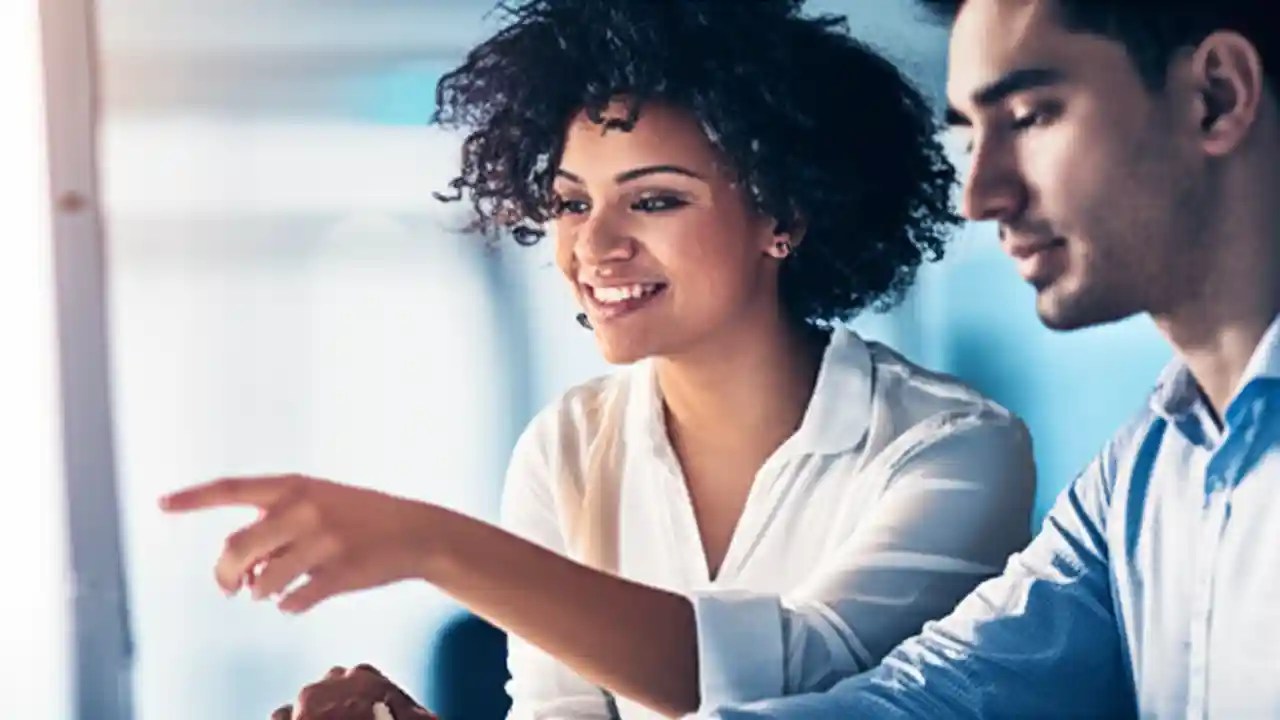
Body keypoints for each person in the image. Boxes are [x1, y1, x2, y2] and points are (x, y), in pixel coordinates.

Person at [159, 1, 1038, 718]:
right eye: (573, 204)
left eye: (653, 200)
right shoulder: (568, 446)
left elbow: (806, 683)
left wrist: (434, 544)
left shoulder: (952, 446)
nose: (595, 247)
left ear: (786, 218)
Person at [691, 0, 1280, 717]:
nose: (980, 196)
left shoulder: (956, 439)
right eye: (972, 141)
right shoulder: (1148, 467)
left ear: (1214, 97)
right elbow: (937, 692)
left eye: (1030, 116)